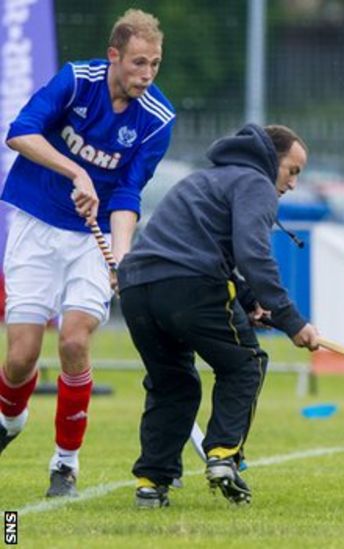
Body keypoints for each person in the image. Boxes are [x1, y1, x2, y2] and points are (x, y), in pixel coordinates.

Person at [0, 9, 173, 498]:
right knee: (21, 356)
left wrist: (120, 257)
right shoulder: (77, 81)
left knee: (75, 340)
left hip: (89, 243)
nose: (146, 74)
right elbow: (20, 131)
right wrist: (76, 173)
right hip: (36, 222)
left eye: (155, 65)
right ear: (114, 55)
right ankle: (9, 422)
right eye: (138, 63)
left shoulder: (158, 119)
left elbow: (127, 193)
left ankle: (65, 463)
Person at [117, 124, 320, 508]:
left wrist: (247, 301)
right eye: (292, 170)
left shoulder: (204, 179)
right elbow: (253, 256)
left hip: (136, 288)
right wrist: (293, 322)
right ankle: (224, 457)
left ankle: (151, 483)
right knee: (245, 364)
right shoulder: (255, 183)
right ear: (269, 160)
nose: (293, 183)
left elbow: (198, 249)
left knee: (172, 383)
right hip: (189, 286)